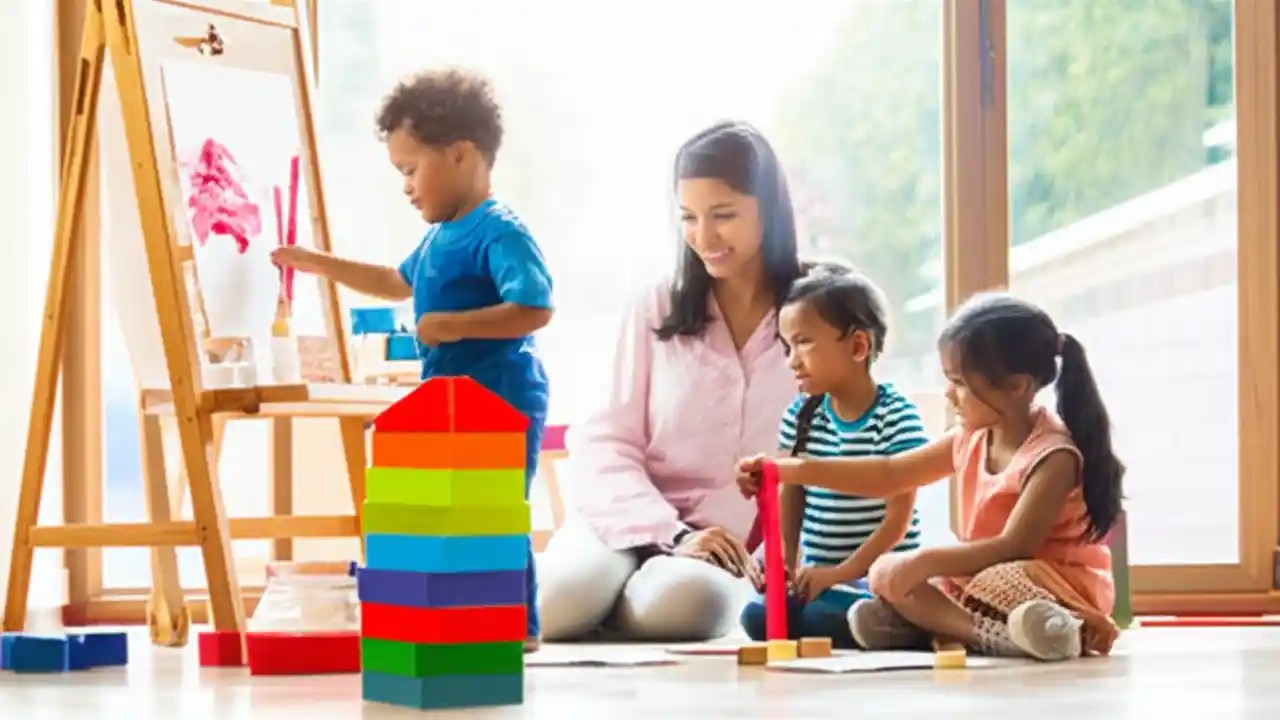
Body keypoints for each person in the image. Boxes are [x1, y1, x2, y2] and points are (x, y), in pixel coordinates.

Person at [271, 68, 553, 650]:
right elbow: (396, 282)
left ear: (460, 155)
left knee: (495, 508)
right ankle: (459, 616)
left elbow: (534, 307)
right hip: (449, 398)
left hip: (500, 396)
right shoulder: (440, 236)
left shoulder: (499, 232)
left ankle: (517, 626)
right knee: (448, 510)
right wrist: (317, 262)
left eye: (410, 169)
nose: (405, 186)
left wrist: (450, 326)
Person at [737, 292, 1124, 661]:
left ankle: (960, 629)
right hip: (983, 578)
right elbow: (891, 473)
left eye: (959, 382)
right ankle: (991, 636)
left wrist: (927, 561)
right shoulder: (970, 437)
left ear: (1017, 386)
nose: (948, 395)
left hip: (1045, 582)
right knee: (888, 571)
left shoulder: (1053, 455)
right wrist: (788, 469)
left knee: (992, 579)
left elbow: (1015, 546)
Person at [535, 120, 803, 641]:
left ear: (767, 208)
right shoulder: (655, 305)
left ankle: (621, 605)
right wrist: (669, 532)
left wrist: (779, 552)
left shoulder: (820, 309)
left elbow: (843, 449)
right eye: (688, 217)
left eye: (723, 215)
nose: (704, 236)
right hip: (622, 520)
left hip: (729, 546)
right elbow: (607, 441)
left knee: (684, 606)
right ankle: (608, 593)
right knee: (558, 607)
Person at [738, 264, 929, 648]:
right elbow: (792, 493)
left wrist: (842, 573)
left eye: (804, 343)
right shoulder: (800, 415)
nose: (792, 360)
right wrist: (786, 565)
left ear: (858, 346)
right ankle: (854, 619)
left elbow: (898, 521)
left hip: (877, 576)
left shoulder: (896, 415)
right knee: (757, 615)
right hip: (825, 578)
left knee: (822, 614)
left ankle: (898, 621)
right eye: (787, 346)